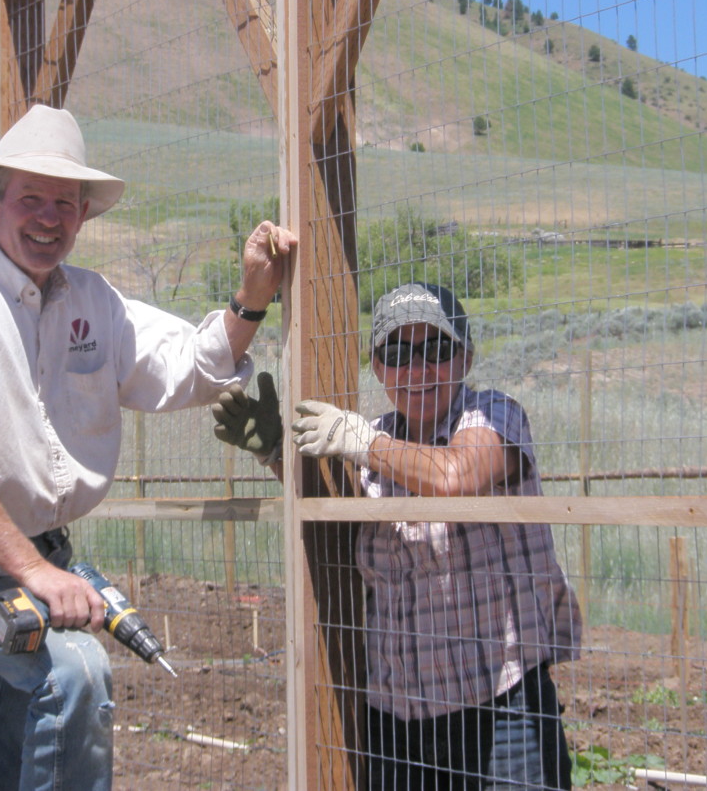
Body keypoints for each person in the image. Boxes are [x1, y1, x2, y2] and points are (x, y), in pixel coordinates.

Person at [0, 104, 295, 791]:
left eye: (65, 204)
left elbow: (187, 366)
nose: (49, 218)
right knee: (75, 671)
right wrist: (37, 575)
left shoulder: (93, 303)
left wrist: (251, 299)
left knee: (3, 726)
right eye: (31, 198)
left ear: (83, 215)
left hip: (45, 551)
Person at [213, 282, 581, 790]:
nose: (416, 370)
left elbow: (456, 476)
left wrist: (363, 440)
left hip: (501, 711)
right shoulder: (375, 440)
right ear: (377, 367)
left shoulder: (493, 415)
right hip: (397, 720)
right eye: (396, 353)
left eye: (435, 349)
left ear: (466, 358)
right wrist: (275, 450)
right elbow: (342, 511)